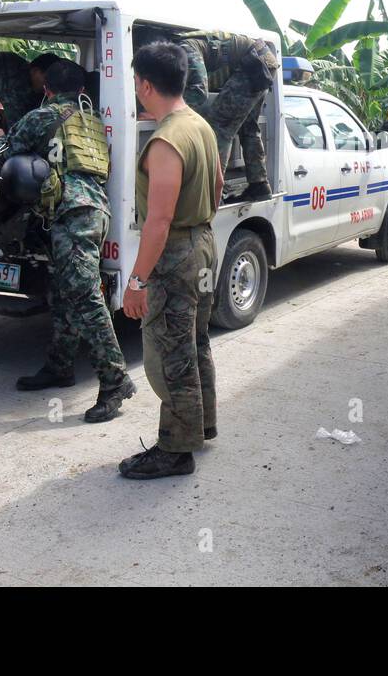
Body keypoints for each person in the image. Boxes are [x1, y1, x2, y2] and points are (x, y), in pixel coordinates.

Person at [0, 59, 135, 422]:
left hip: (73, 216)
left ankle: (115, 379)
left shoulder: (43, 116)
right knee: (63, 291)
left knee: (86, 298)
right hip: (93, 210)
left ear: (47, 89)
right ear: (83, 89)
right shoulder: (91, 119)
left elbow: (9, 154)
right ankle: (60, 365)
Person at [118, 41, 222, 480]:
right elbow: (217, 184)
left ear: (144, 84)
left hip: (175, 252)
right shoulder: (199, 125)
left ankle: (176, 449)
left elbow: (158, 221)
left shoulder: (165, 141)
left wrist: (137, 281)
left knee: (169, 352)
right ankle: (203, 423)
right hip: (202, 244)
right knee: (195, 341)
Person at [175, 30, 279, 202]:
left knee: (220, 126)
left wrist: (169, 109)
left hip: (254, 64)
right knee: (248, 128)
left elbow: (200, 91)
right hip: (263, 61)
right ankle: (259, 185)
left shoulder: (185, 48)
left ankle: (213, 193)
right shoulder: (190, 43)